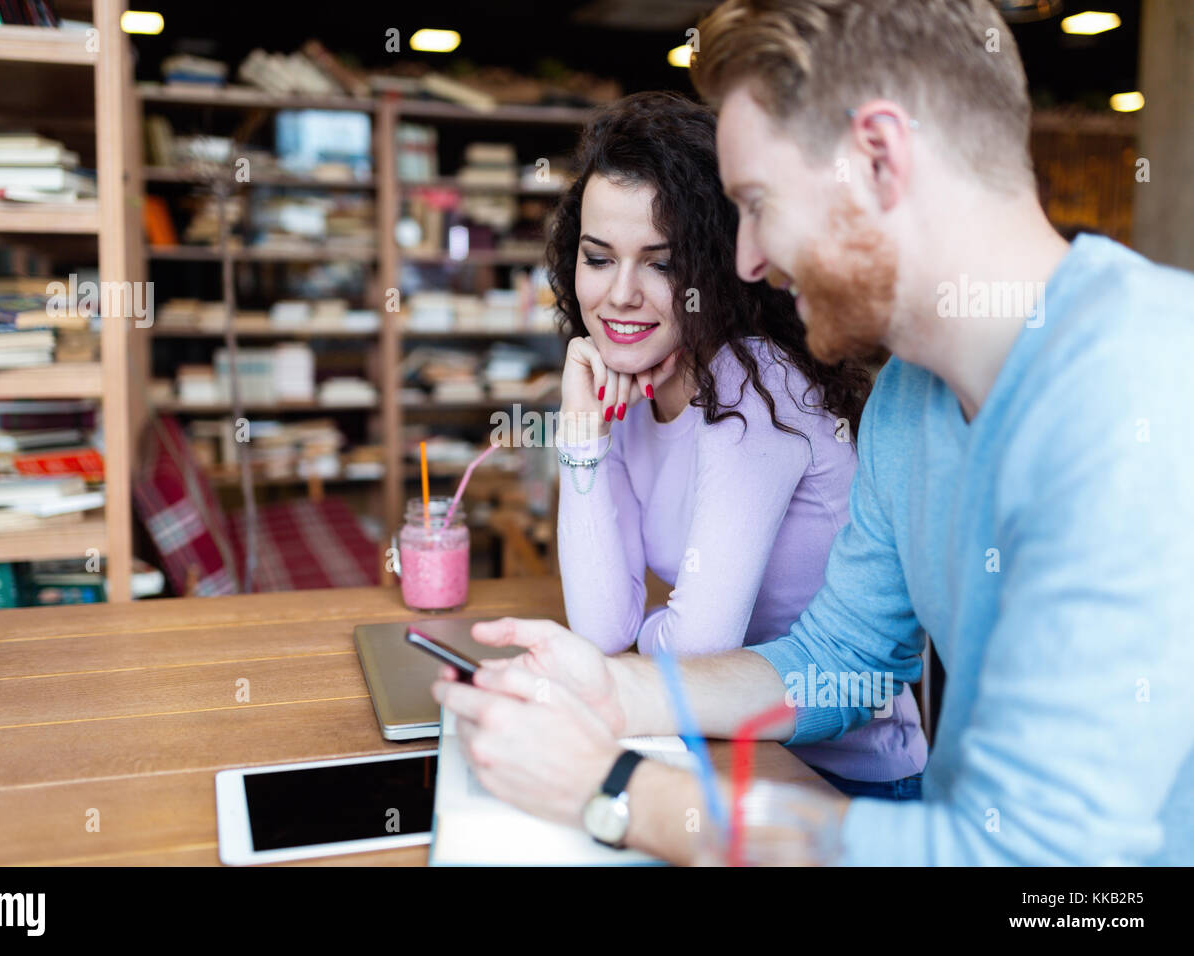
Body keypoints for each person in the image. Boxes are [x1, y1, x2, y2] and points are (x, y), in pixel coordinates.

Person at [433, 0, 1194, 865]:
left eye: (757, 204)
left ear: (878, 157)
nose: (746, 259)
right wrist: (616, 689)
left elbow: (1037, 874)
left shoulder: (1141, 391)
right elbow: (844, 658)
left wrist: (615, 793)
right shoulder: (911, 394)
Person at [547, 90, 926, 798]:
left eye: (661, 263)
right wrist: (582, 437)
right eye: (599, 258)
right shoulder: (628, 384)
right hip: (725, 752)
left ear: (715, 267)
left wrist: (653, 633)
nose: (620, 294)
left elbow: (699, 647)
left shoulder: (757, 383)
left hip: (844, 780)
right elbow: (601, 628)